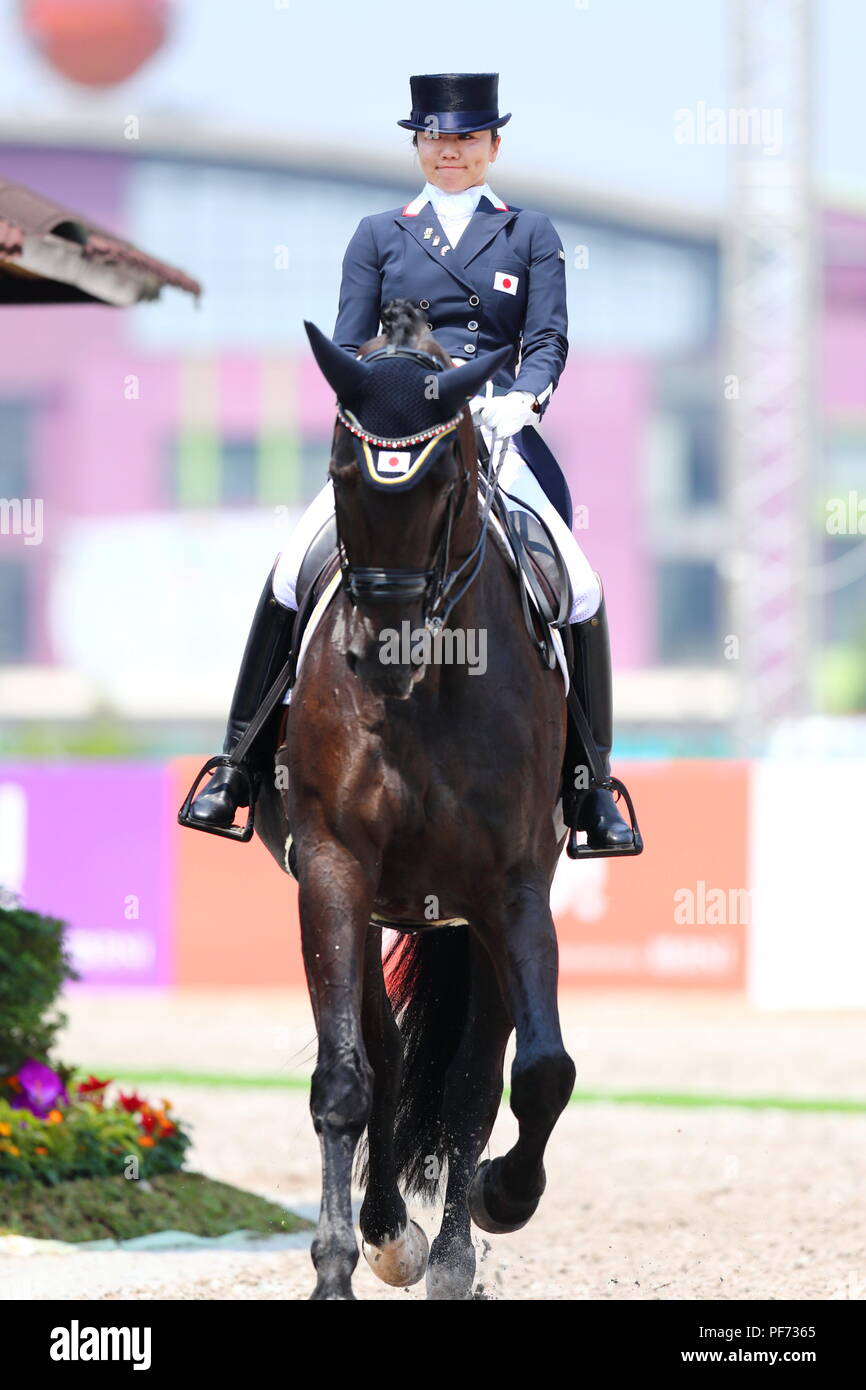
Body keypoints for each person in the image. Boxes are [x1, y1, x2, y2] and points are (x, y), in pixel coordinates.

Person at [186, 72, 634, 851]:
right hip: (399, 433)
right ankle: (238, 763)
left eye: (464, 139)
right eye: (434, 138)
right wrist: (390, 396)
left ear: (492, 145)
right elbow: (351, 341)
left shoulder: (530, 233)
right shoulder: (378, 234)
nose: (449, 152)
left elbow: (548, 337)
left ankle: (593, 787)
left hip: (491, 433)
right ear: (418, 145)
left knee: (582, 587)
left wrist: (521, 400)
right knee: (294, 569)